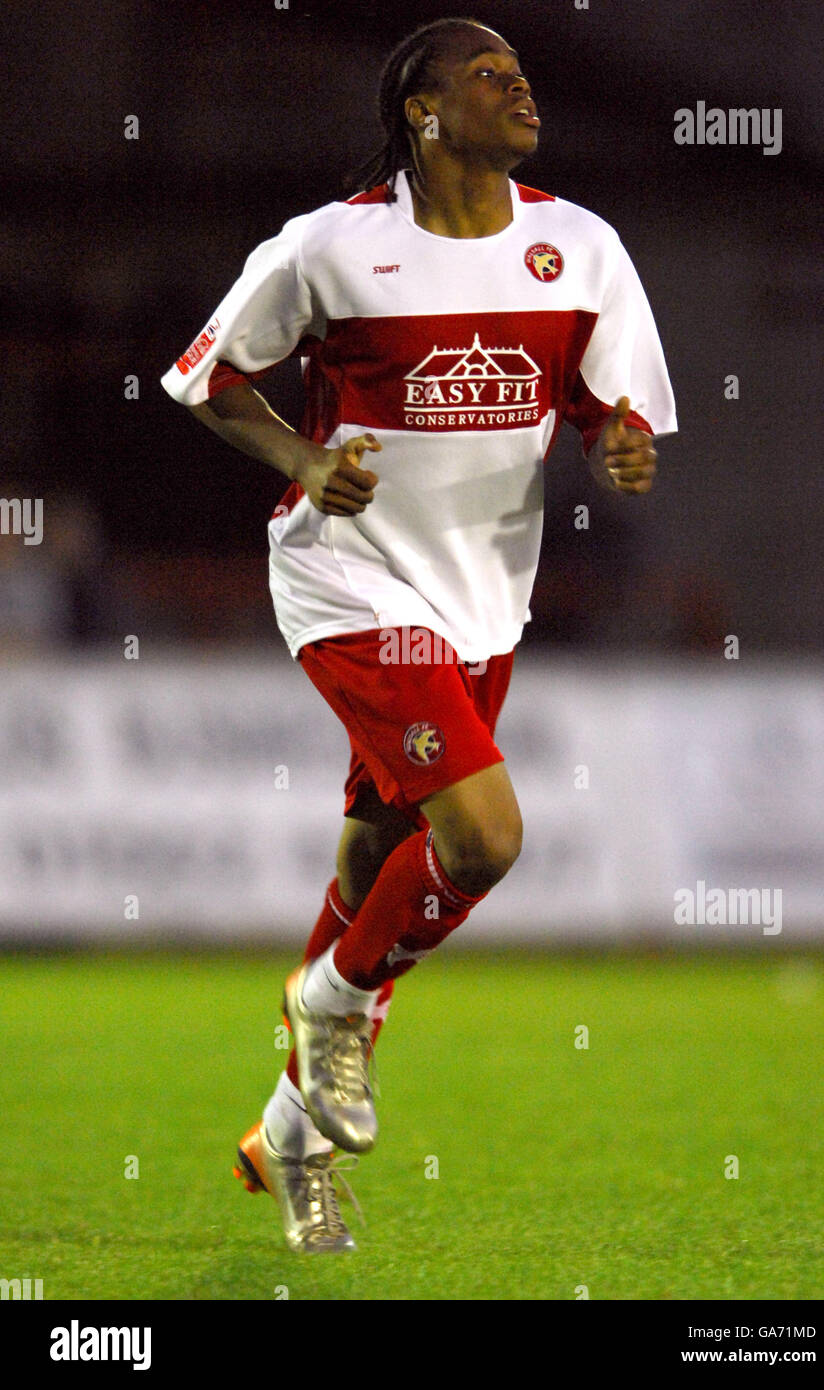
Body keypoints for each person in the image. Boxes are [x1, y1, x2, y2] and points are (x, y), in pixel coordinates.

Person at [161, 15, 677, 1254]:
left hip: (484, 597)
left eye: (522, 70)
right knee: (484, 837)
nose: (520, 86)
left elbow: (617, 413)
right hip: (347, 579)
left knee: (371, 862)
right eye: (488, 73)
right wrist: (300, 455)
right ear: (423, 112)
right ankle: (330, 1004)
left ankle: (290, 1136)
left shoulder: (580, 245)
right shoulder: (330, 248)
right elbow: (204, 375)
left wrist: (619, 446)